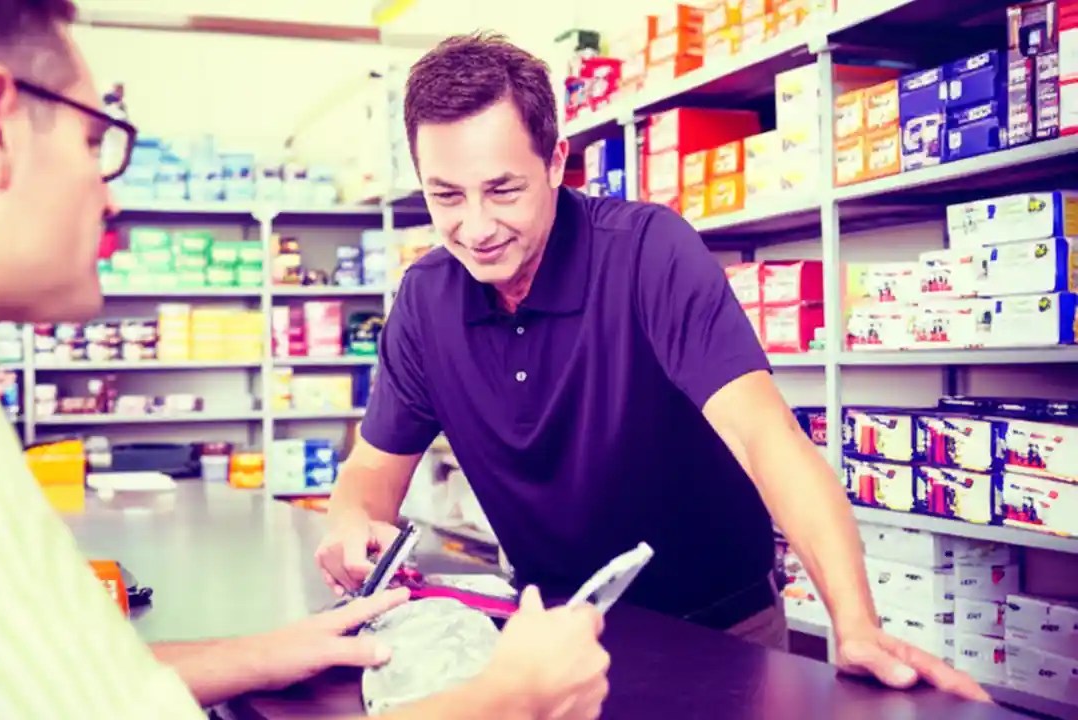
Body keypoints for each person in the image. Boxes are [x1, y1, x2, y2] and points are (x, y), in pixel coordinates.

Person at [0, 4, 610, 718]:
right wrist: (510, 699)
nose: (110, 194)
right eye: (96, 140)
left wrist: (263, 652)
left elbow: (27, 687)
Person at [315, 32, 992, 703]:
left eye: (502, 189)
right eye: (447, 197)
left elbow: (766, 437)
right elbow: (374, 467)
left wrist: (855, 622)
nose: (477, 226)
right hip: (547, 637)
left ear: (556, 162)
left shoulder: (647, 253)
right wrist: (352, 522)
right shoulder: (425, 298)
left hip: (719, 630)